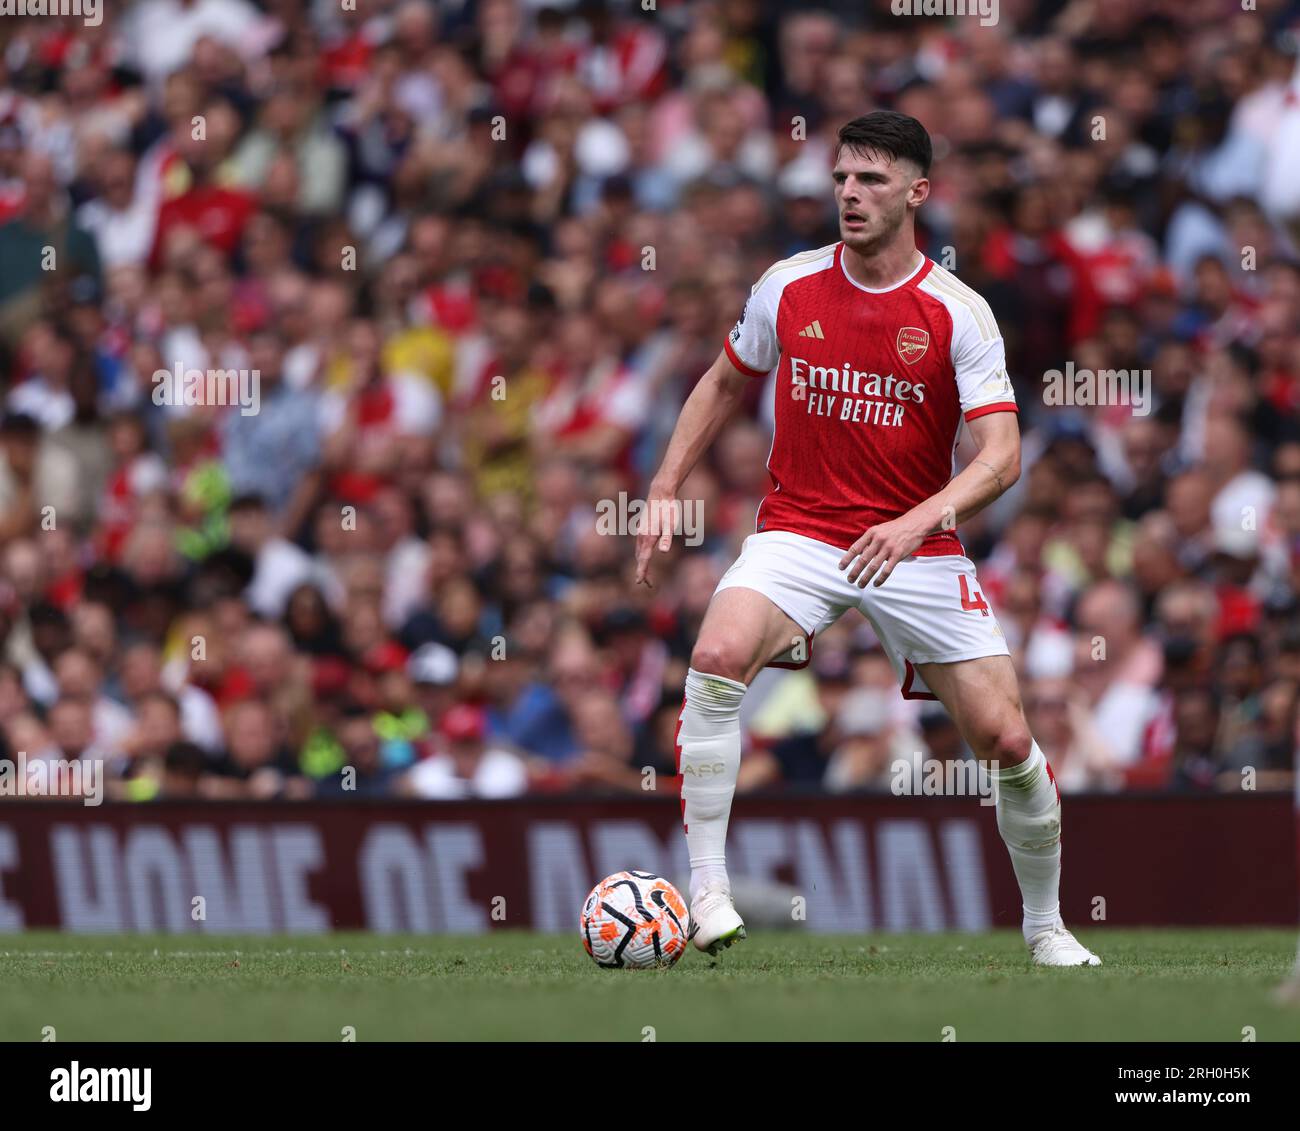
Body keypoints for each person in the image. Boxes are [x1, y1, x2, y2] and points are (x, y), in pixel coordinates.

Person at [637, 111, 1100, 966]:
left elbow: (1001, 459)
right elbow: (720, 381)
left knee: (1004, 741)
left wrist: (918, 519)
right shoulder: (787, 286)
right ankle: (706, 891)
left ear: (918, 193)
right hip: (801, 532)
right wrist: (665, 484)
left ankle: (1045, 927)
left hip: (916, 545)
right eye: (843, 177)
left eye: (873, 180)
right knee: (715, 653)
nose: (850, 193)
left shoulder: (958, 312)